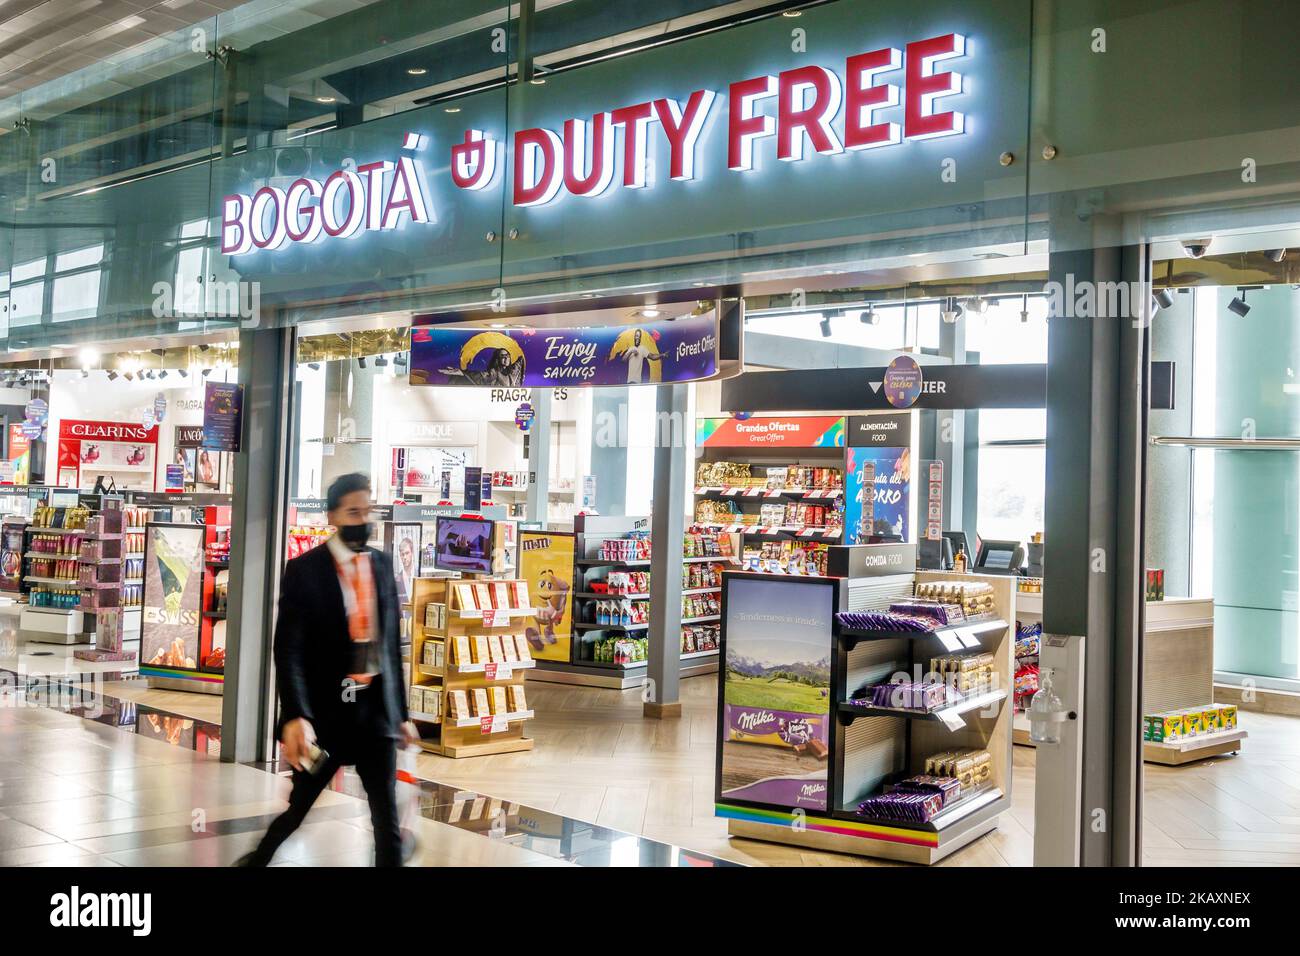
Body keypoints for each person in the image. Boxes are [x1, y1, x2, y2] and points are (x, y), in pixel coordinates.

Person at [236, 473, 418, 866]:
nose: (362, 520)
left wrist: (401, 715)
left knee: (386, 819)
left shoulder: (383, 566)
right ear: (333, 516)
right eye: (354, 512)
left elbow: (390, 647)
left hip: (375, 716)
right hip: (328, 717)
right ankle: (254, 863)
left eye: (367, 511)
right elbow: (289, 650)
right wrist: (297, 716)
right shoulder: (305, 571)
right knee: (298, 809)